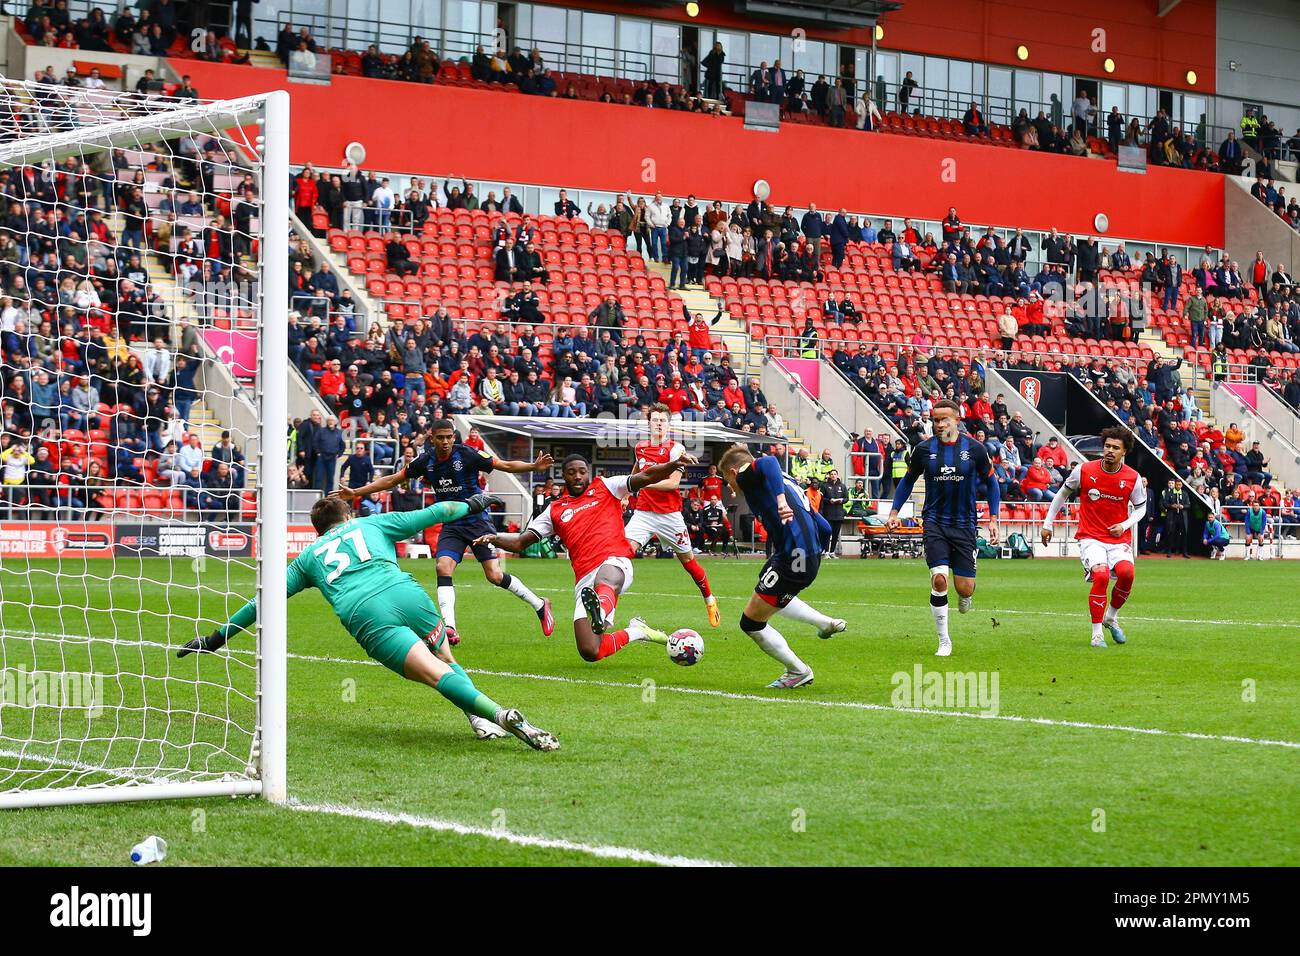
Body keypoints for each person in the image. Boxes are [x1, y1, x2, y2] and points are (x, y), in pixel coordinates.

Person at [179, 494, 558, 751]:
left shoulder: (308, 558)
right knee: (446, 660)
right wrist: (472, 503)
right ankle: (479, 718)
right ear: (347, 517)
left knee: (435, 676)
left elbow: (263, 601)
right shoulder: (371, 524)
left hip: (366, 614)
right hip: (406, 593)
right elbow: (438, 513)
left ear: (317, 529)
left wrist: (216, 638)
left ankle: (497, 715)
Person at [331, 419, 555, 644]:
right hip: (452, 524)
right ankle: (450, 627)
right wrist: (356, 492)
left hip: (476, 520)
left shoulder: (467, 454)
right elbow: (392, 479)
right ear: (432, 438)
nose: (446, 441)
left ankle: (539, 604)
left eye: (449, 437)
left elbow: (504, 465)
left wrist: (533, 467)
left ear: (454, 436)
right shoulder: (425, 461)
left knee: (494, 575)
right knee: (442, 567)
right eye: (441, 437)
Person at [475, 453, 691, 663]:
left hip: (615, 563)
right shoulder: (554, 510)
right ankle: (637, 632)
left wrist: (673, 465)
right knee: (590, 650)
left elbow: (645, 476)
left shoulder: (607, 486)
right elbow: (521, 542)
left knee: (604, 580)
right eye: (571, 473)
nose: (577, 476)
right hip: (584, 580)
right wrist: (494, 538)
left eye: (581, 472)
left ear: (588, 473)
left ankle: (600, 610)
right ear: (564, 476)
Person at [715, 445, 844, 688]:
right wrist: (813, 552)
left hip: (794, 557)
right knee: (767, 588)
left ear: (734, 471)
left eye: (727, 480)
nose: (730, 488)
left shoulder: (748, 474)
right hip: (805, 555)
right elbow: (825, 527)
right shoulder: (787, 480)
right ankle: (824, 623)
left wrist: (781, 502)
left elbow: (769, 461)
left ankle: (798, 671)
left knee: (751, 623)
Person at [887, 401, 1001, 657]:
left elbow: (992, 484)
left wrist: (994, 518)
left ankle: (967, 593)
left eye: (944, 420)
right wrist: (894, 512)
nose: (939, 425)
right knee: (939, 580)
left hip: (964, 525)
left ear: (957, 420)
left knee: (964, 588)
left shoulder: (975, 449)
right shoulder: (923, 450)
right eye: (935, 420)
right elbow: (907, 482)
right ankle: (944, 640)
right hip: (935, 523)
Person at [1040, 427, 1146, 648]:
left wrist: (1124, 524)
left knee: (1127, 574)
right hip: (1091, 536)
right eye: (1107, 446)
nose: (1109, 450)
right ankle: (1097, 634)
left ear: (1124, 451)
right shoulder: (1084, 470)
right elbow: (1062, 494)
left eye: (1115, 448)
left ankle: (1111, 617)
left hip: (1118, 539)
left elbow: (1141, 509)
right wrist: (1047, 524)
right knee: (1101, 576)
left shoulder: (1132, 477)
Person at [625, 405, 720, 627]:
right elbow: (637, 470)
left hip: (670, 516)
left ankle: (709, 599)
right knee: (622, 552)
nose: (658, 423)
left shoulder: (676, 449)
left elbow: (673, 484)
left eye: (662, 420)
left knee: (687, 560)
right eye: (655, 419)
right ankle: (607, 602)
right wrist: (627, 490)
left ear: (668, 424)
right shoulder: (639, 447)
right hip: (644, 513)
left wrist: (645, 481)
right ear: (648, 423)